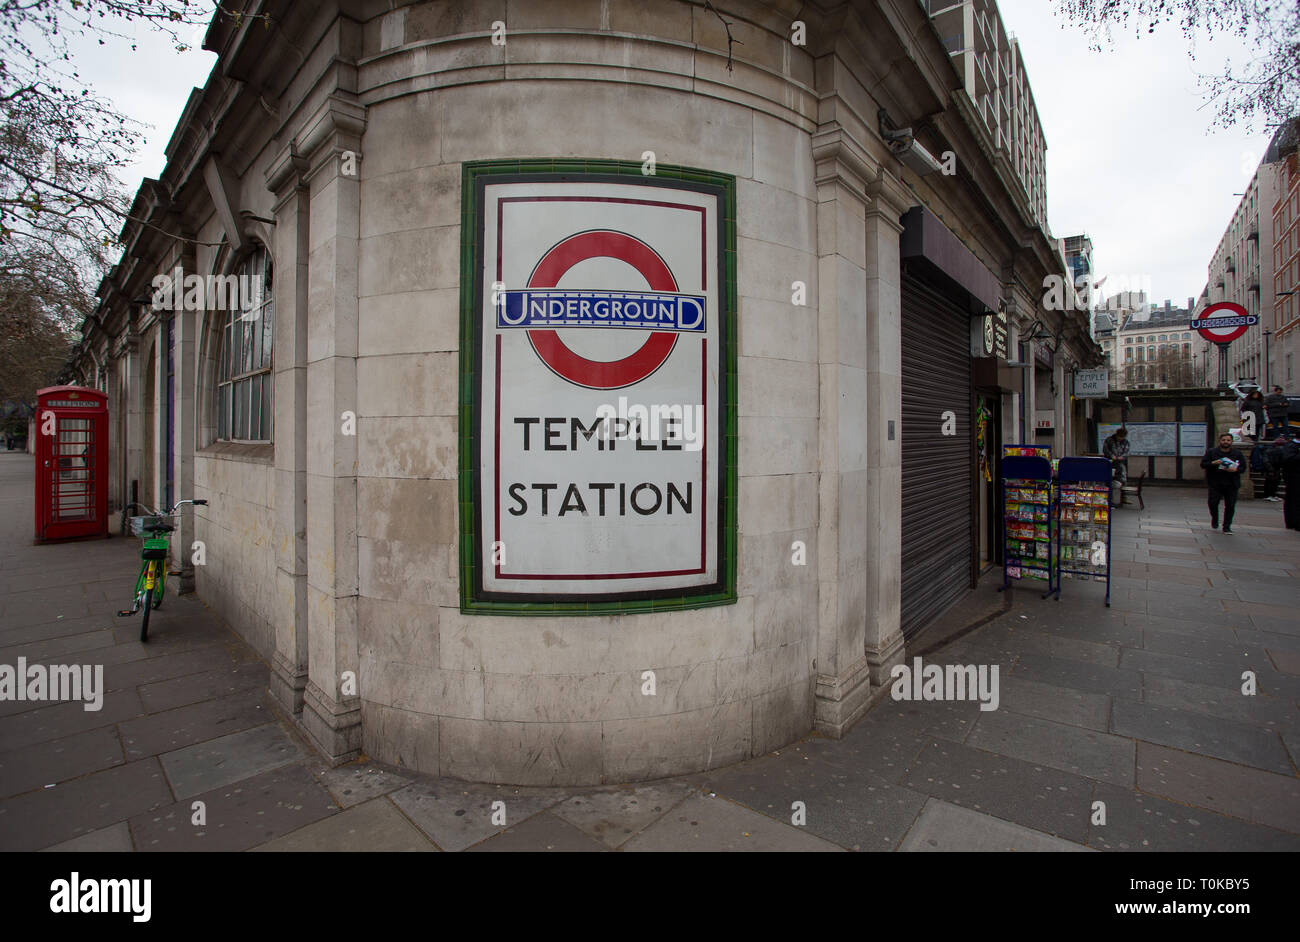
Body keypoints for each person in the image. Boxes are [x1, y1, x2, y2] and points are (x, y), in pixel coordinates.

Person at [1200, 432, 1246, 533]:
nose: (1226, 442)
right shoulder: (1211, 452)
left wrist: (1236, 470)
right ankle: (1215, 518)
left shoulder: (1237, 453)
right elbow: (1203, 464)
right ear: (1220, 441)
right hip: (1215, 482)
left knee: (1230, 505)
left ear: (1231, 442)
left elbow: (1243, 467)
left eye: (1228, 440)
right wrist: (1213, 463)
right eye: (1224, 440)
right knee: (1213, 503)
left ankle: (1227, 526)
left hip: (1231, 483)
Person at [1274, 431, 1300, 530]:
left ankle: (1293, 521)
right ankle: (1295, 522)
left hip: (1295, 476)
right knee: (1294, 499)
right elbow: (1287, 460)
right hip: (1293, 477)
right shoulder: (1291, 446)